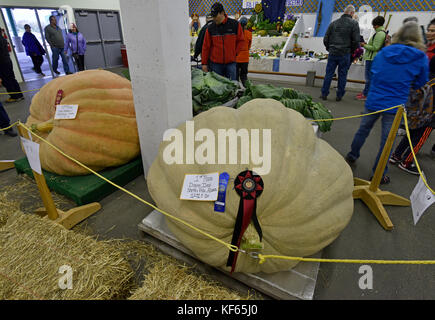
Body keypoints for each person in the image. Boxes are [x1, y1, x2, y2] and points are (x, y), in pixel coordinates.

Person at [345, 22, 429, 184]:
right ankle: (379, 173)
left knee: (363, 130)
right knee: (387, 140)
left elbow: (374, 72)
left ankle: (352, 155)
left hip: (375, 98)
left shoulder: (385, 51)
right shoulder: (420, 57)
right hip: (396, 105)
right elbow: (421, 82)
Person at [389, 56, 434, 174]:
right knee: (419, 140)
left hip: (416, 114)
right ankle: (407, 162)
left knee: (409, 136)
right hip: (429, 118)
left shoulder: (427, 78)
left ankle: (397, 155)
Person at [320, 5, 360, 102]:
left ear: (344, 11)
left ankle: (324, 93)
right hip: (345, 53)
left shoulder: (333, 23)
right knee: (342, 75)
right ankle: (339, 95)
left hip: (333, 52)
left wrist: (329, 48)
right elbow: (356, 41)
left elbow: (326, 39)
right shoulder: (354, 24)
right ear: (352, 13)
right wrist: (351, 51)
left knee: (328, 74)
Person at [201, 2, 245, 81]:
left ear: (222, 13)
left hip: (231, 63)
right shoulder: (210, 28)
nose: (214, 18)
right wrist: (204, 63)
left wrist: (235, 53)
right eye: (212, 16)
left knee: (233, 86)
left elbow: (241, 41)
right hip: (215, 65)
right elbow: (206, 46)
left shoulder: (235, 25)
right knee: (217, 89)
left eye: (215, 16)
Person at [356, 16, 387, 101]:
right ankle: (365, 92)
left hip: (372, 58)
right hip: (372, 57)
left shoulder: (380, 33)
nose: (373, 27)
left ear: (376, 25)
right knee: (369, 77)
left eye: (373, 25)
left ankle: (366, 94)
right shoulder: (380, 33)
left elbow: (376, 47)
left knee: (369, 78)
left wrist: (364, 45)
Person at [0, 35, 24, 103]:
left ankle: (14, 97)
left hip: (2, 63)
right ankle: (19, 95)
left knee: (6, 80)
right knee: (12, 78)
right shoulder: (3, 38)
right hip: (7, 60)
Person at [236, 17, 252, 87]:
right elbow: (249, 46)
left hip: (237, 57)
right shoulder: (249, 34)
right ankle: (247, 90)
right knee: (244, 76)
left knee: (235, 76)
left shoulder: (236, 33)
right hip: (245, 58)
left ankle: (236, 90)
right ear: (246, 24)